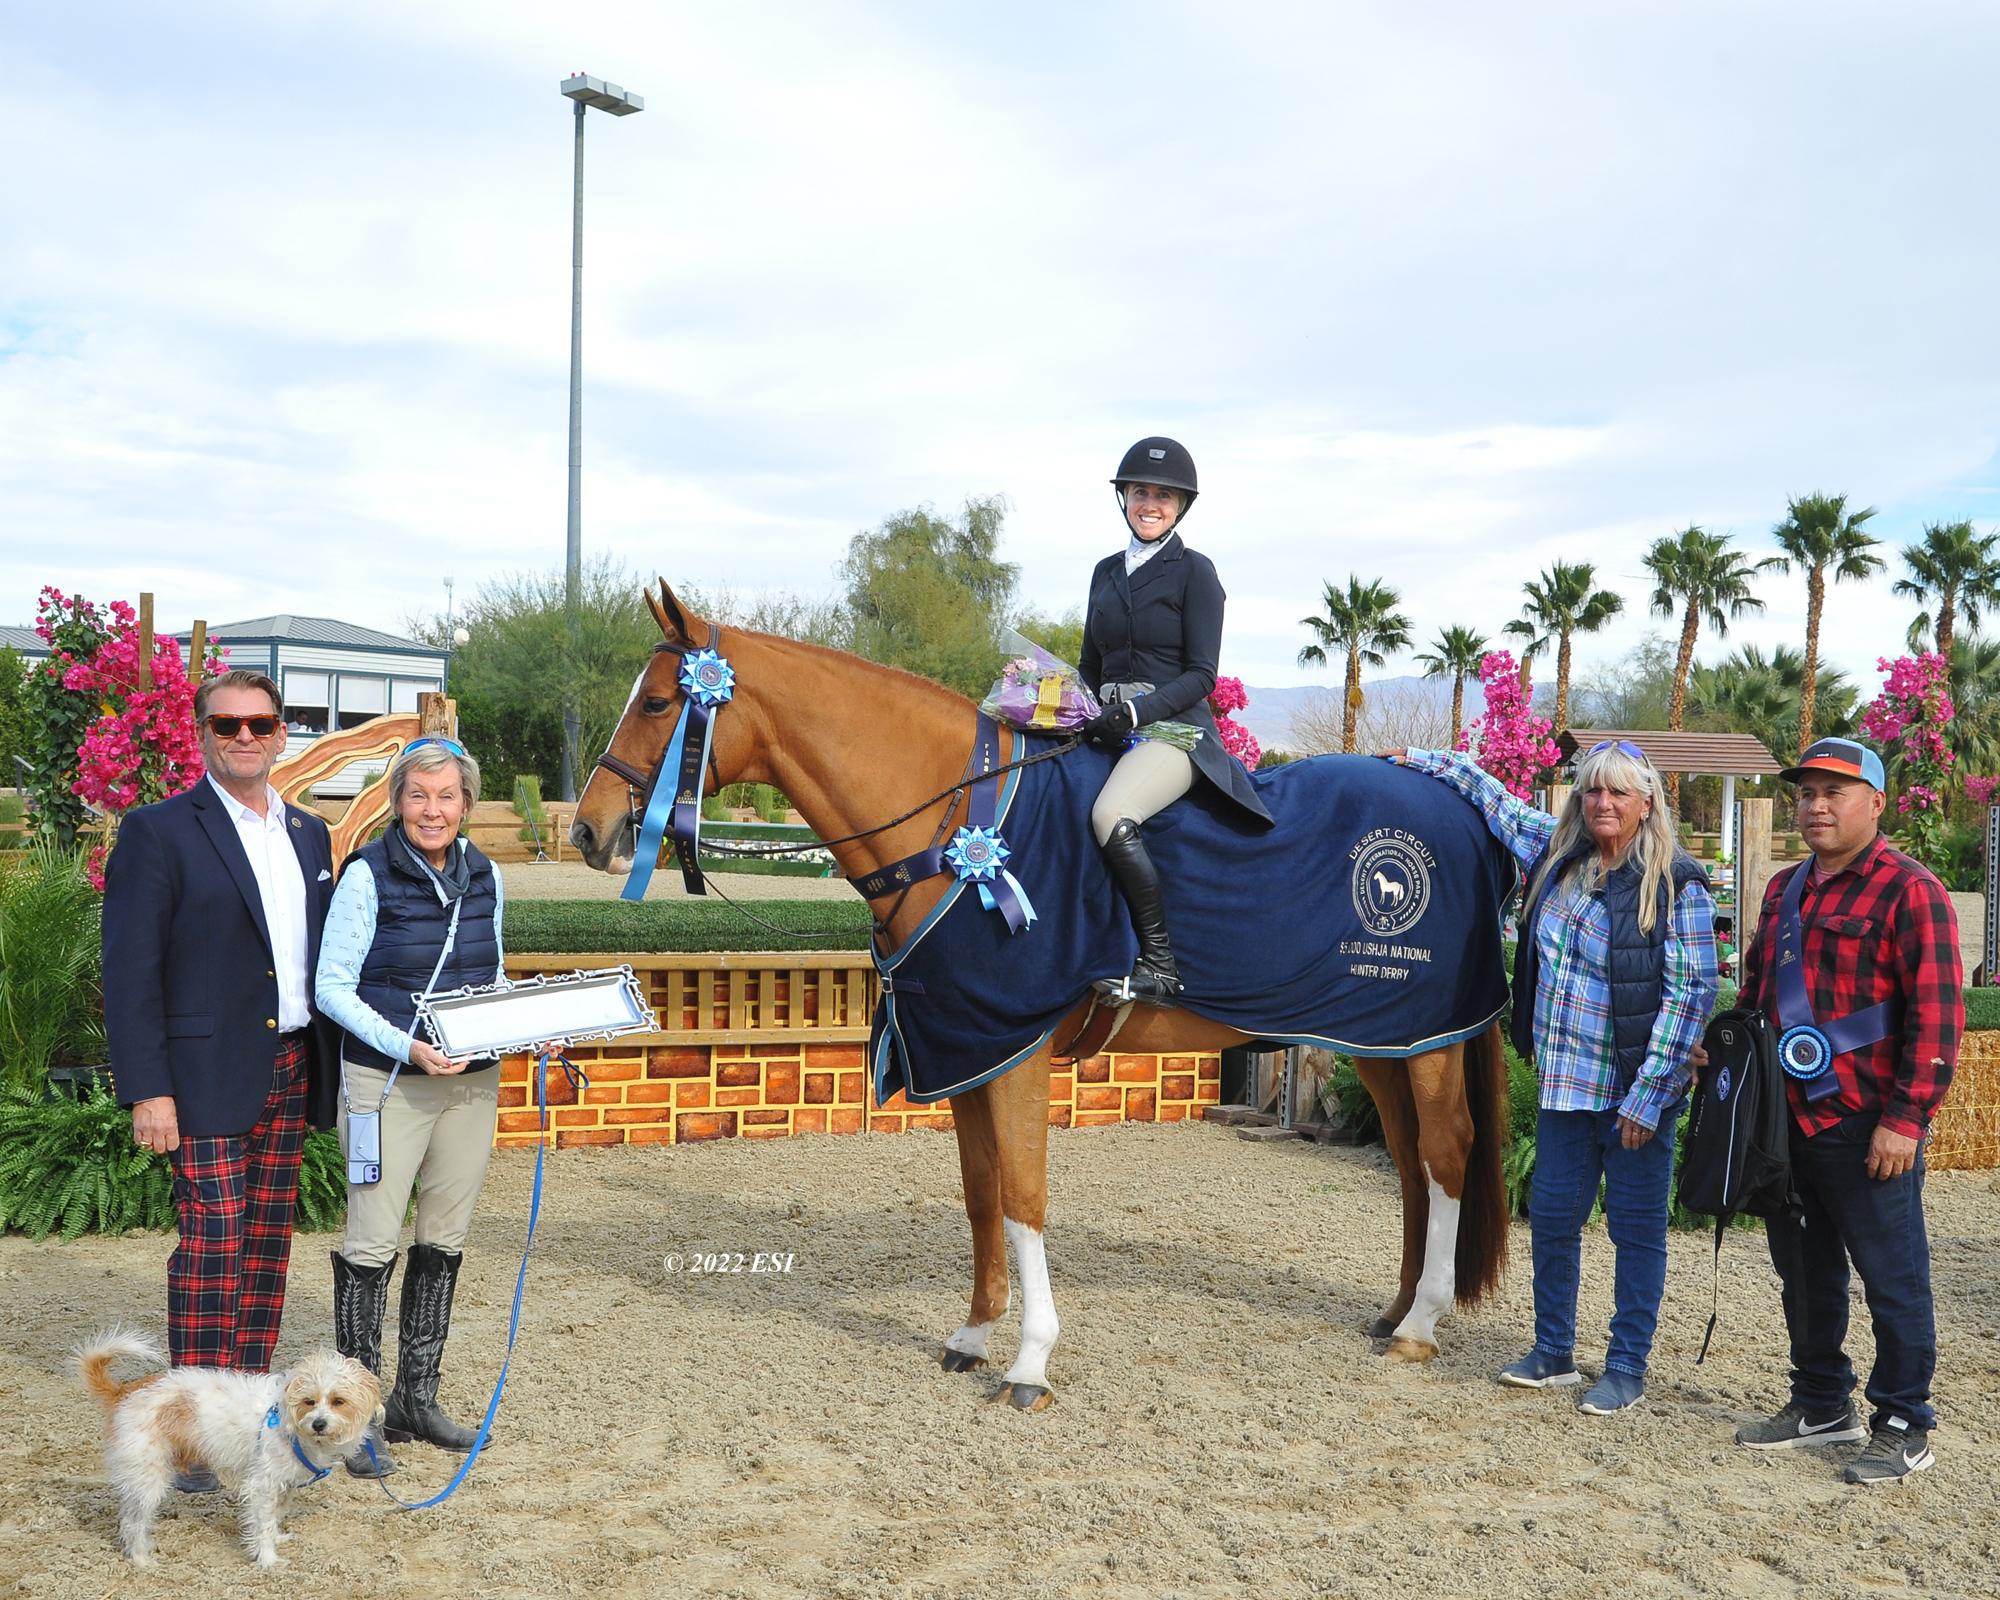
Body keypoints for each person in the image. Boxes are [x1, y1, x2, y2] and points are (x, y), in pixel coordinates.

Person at [1385, 739, 1716, 1413]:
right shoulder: (1558, 857)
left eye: (1618, 792)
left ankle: (1625, 1366)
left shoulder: (1677, 883)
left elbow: (1692, 994)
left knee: (1636, 1231)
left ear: (1646, 801)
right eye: (1591, 790)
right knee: (1556, 1222)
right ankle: (1554, 1353)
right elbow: (1495, 800)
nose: (1602, 803)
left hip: (1633, 1095)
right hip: (1567, 1087)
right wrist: (1421, 759)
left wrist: (1649, 1098)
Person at [102, 669, 341, 1493]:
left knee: (268, 1248)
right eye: (226, 724)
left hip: (289, 1063)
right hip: (200, 1074)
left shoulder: (311, 833)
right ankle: (197, 1428)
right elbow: (129, 971)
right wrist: (148, 1088)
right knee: (213, 1245)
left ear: (282, 734)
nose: (244, 736)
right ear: (200, 733)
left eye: (260, 723)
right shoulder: (158, 830)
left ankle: (246, 1416)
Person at [1730, 737, 1959, 1484]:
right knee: (1805, 1274)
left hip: (1867, 1125)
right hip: (1786, 1125)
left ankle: (1903, 1420)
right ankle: (1822, 1401)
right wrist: (1728, 1050)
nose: (1816, 805)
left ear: (1876, 803)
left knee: (1893, 1278)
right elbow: (1758, 994)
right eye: (1806, 793)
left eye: (1834, 792)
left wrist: (1907, 1119)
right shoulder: (1784, 889)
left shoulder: (1910, 889)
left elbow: (1936, 1016)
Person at [314, 738, 508, 1477]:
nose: (434, 810)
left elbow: (491, 974)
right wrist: (407, 1047)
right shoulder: (366, 875)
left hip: (468, 1085)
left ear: (466, 804)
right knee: (370, 1244)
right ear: (398, 800)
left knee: (443, 1239)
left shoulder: (487, 874)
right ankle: (358, 1422)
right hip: (386, 1085)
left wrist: (529, 1029)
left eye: (448, 796)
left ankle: (415, 1399)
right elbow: (333, 987)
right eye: (420, 795)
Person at [1076, 436, 1274, 1003]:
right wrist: (1057, 700)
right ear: (1125, 498)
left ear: (1180, 506)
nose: (1150, 503)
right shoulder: (1104, 573)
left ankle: (1161, 966)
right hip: (1108, 726)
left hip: (1175, 732)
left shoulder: (1196, 572)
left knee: (1112, 813)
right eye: (1141, 492)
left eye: (1163, 495)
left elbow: (1202, 675)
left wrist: (1136, 710)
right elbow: (1092, 665)